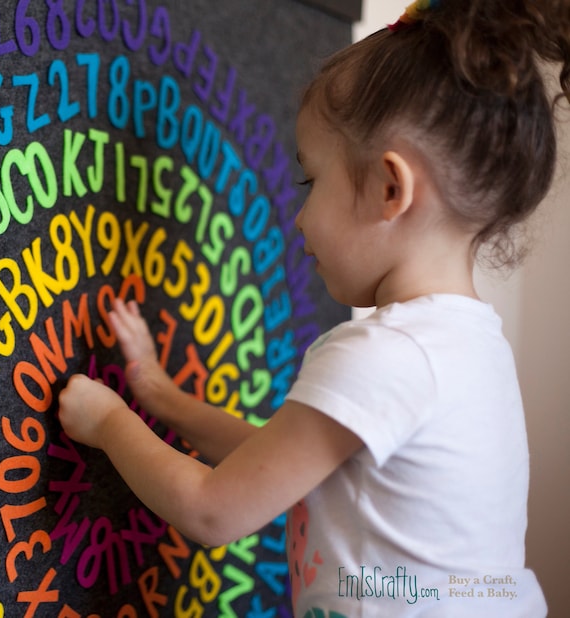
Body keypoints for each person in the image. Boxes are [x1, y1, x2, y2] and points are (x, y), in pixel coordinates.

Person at [59, 0, 570, 614]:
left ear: (389, 189)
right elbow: (278, 459)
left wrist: (110, 423)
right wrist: (157, 392)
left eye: (312, 180)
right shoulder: (468, 348)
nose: (298, 217)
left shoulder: (390, 353)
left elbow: (214, 508)